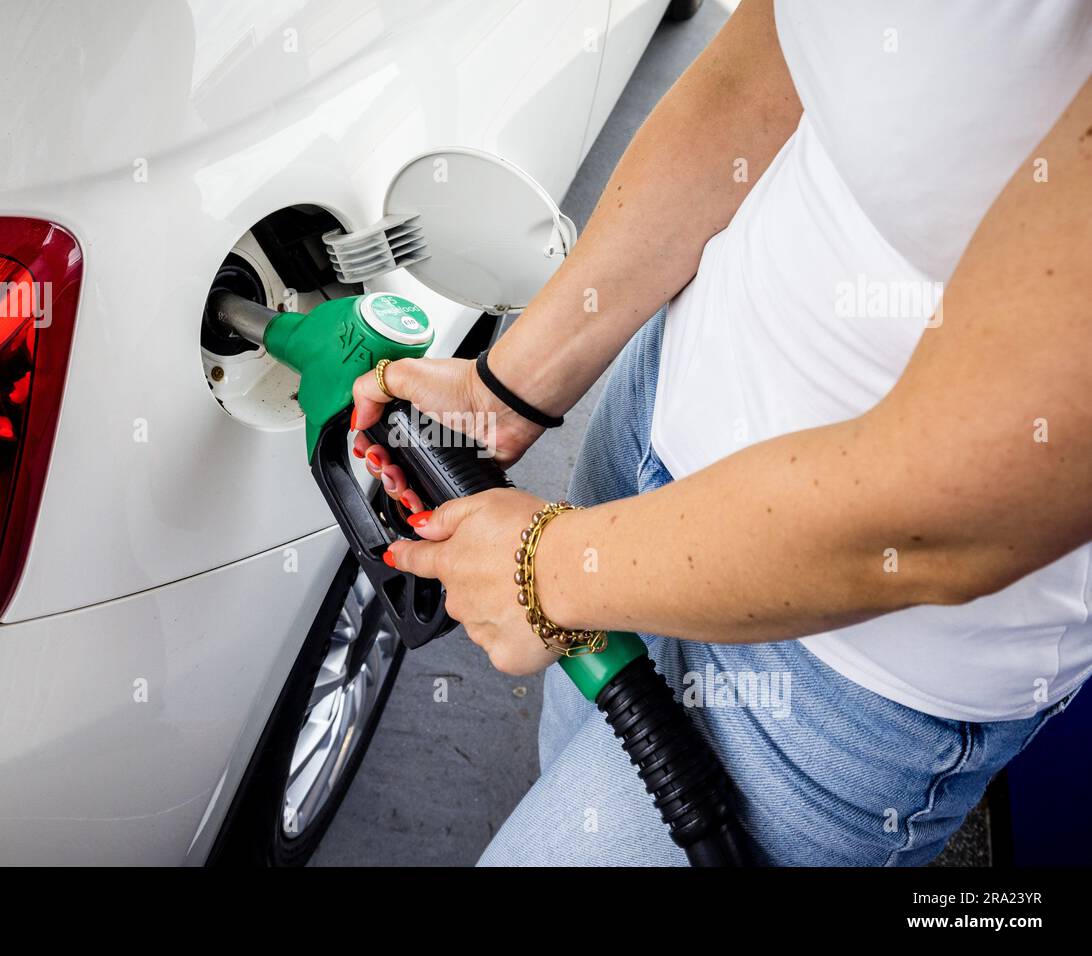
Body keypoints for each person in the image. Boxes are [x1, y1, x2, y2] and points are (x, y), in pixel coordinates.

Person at [349, 0, 1092, 865]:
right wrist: (511, 385)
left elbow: (960, 508)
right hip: (654, 434)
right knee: (571, 762)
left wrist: (545, 570)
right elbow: (764, 66)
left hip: (854, 653)